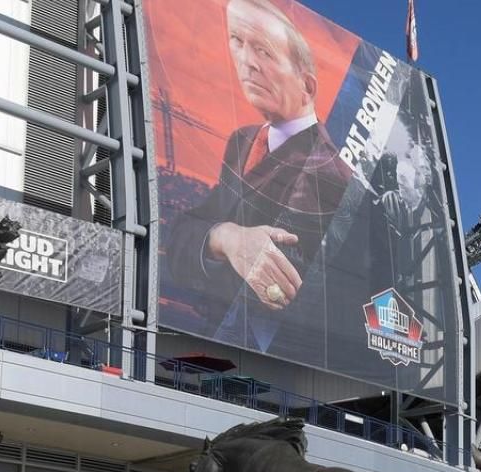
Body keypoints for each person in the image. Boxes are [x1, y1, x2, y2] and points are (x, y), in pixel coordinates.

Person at [164, 0, 386, 355]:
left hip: (253, 360)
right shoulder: (243, 140)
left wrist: (219, 245)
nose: (246, 63)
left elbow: (284, 298)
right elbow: (180, 235)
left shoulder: (330, 177)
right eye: (237, 41)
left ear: (308, 86)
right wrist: (226, 238)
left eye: (264, 51)